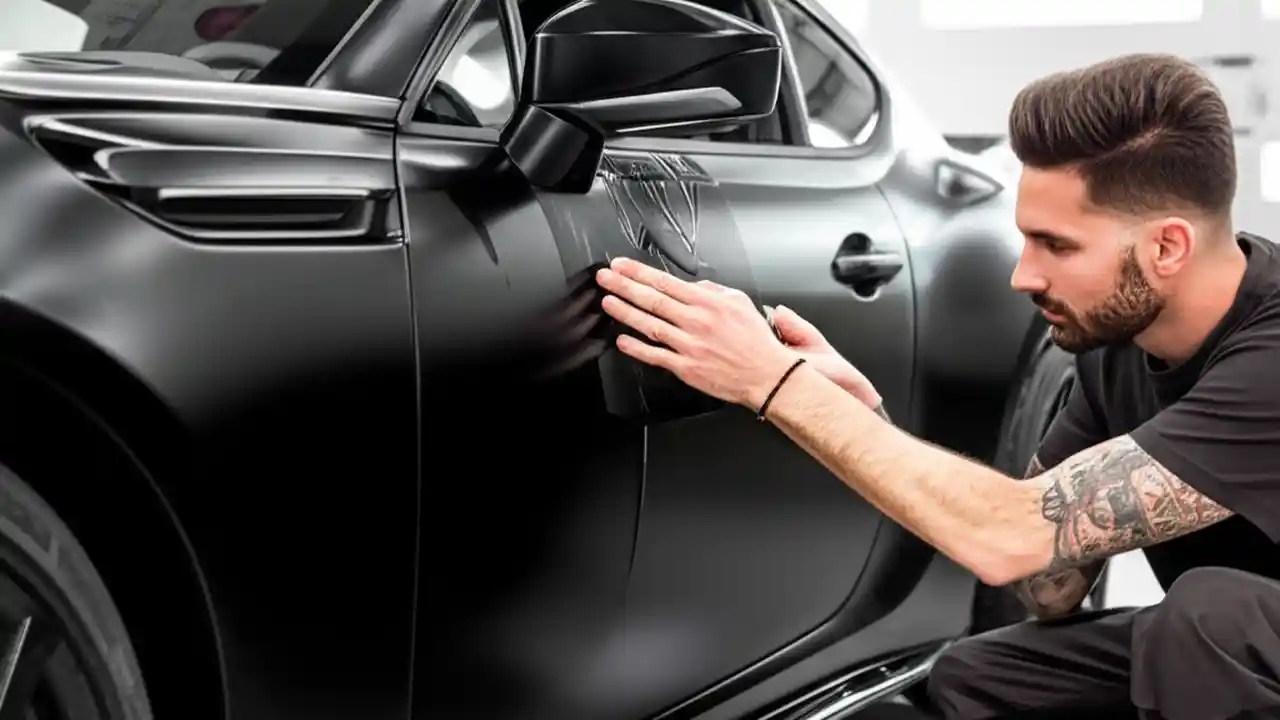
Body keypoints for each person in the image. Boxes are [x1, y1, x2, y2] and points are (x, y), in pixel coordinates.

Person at [593, 52, 1280, 720]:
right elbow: (1044, 583)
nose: (1024, 277)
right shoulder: (1117, 347)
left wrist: (778, 383)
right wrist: (868, 424)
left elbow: (1013, 534)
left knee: (1206, 618)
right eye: (1026, 240)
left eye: (1058, 246)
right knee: (979, 677)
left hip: (1225, 634)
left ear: (1167, 247)